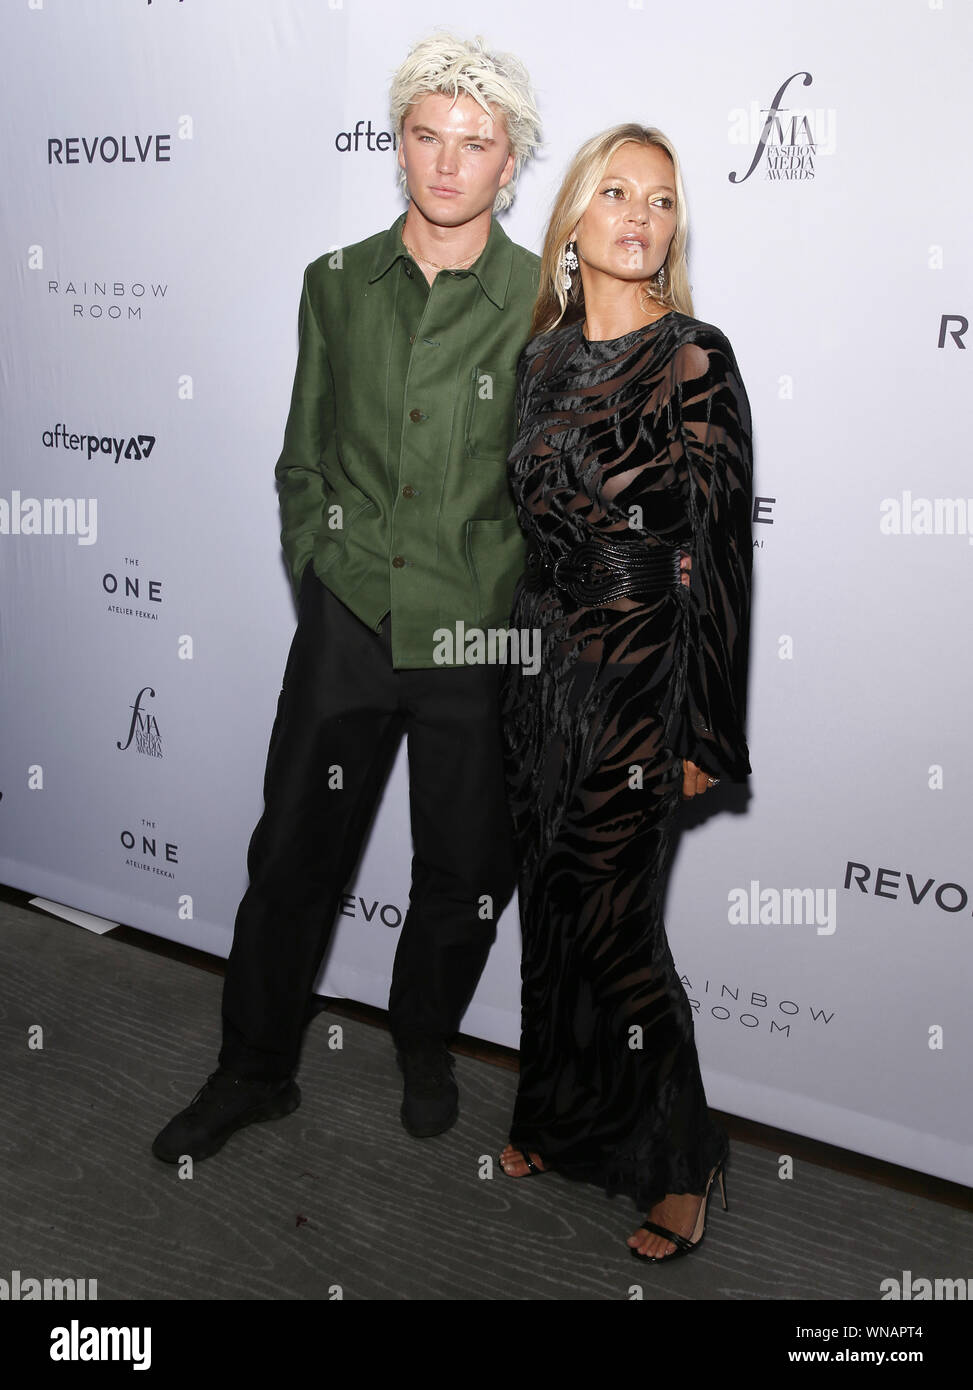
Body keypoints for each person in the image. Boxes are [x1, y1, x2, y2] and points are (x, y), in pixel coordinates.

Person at [152, 34, 541, 1163]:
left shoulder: (539, 302)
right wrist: (320, 571)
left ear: (508, 163)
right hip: (350, 622)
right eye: (427, 135)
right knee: (293, 855)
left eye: (474, 144)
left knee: (466, 869)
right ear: (398, 143)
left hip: (475, 633)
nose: (447, 162)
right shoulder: (334, 284)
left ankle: (422, 1036)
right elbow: (300, 459)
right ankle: (253, 1067)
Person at [496, 125, 752, 1262]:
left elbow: (719, 560)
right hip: (541, 671)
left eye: (659, 198)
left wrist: (709, 734)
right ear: (574, 221)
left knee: (615, 928)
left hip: (643, 674)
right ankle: (561, 1117)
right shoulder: (540, 359)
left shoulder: (693, 357)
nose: (639, 214)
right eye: (614, 191)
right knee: (550, 912)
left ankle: (682, 1154)